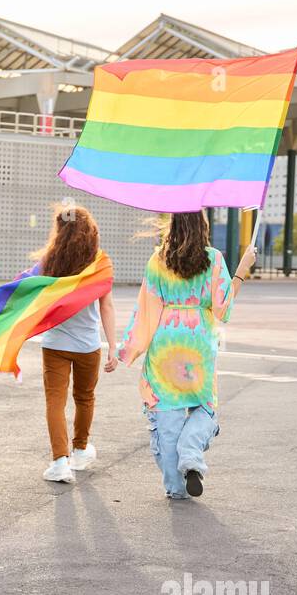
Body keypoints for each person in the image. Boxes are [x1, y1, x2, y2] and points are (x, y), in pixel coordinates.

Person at [119, 210, 255, 499]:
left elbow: (145, 310)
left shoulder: (159, 260)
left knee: (167, 417)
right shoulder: (214, 258)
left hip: (166, 345)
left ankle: (176, 487)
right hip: (199, 346)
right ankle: (191, 453)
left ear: (174, 225)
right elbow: (223, 307)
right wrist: (242, 270)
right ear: (202, 226)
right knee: (204, 406)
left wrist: (128, 349)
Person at [35, 205, 117, 484]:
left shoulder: (49, 260)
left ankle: (59, 462)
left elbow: (35, 298)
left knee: (55, 402)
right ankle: (80, 451)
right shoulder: (100, 262)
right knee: (84, 398)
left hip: (55, 342)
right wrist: (113, 347)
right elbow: (106, 306)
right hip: (88, 345)